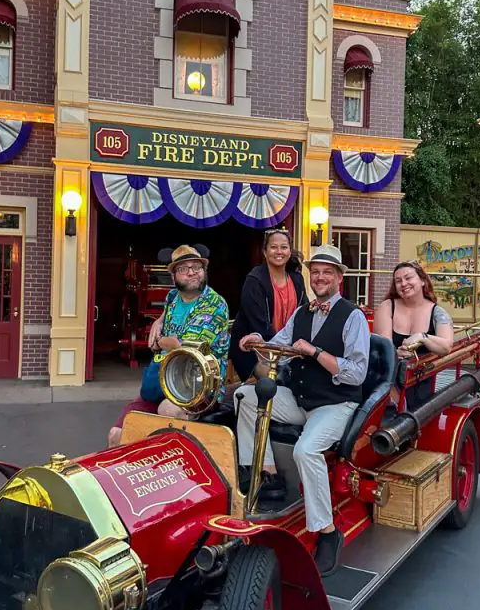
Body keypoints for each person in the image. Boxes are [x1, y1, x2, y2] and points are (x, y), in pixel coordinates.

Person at [237, 244, 370, 577]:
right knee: (244, 395)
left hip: (336, 404)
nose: (321, 277)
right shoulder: (302, 312)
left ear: (340, 277)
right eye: (316, 271)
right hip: (302, 401)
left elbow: (356, 372)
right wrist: (256, 339)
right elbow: (279, 344)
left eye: (328, 272)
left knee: (306, 450)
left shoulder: (352, 316)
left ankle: (327, 532)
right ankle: (265, 473)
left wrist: (314, 351)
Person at [107, 244, 229, 446]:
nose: (191, 273)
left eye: (197, 267)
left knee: (167, 411)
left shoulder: (214, 304)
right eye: (183, 269)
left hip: (197, 388)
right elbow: (168, 319)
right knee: (116, 434)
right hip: (162, 381)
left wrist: (158, 340)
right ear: (173, 277)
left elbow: (182, 346)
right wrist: (160, 320)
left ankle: (167, 475)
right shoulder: (172, 297)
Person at [229, 227, 308, 381]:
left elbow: (304, 315)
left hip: (289, 348)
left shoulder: (297, 279)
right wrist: (287, 352)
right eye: (273, 247)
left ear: (290, 251)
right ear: (264, 252)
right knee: (279, 380)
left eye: (284, 247)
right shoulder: (254, 280)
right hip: (257, 348)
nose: (279, 251)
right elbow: (259, 326)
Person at [373, 260, 454, 410]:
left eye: (408, 278)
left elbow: (447, 346)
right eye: (398, 281)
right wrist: (395, 352)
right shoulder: (387, 307)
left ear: (423, 280)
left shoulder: (438, 313)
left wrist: (422, 337)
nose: (403, 283)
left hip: (422, 380)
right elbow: (384, 346)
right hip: (390, 378)